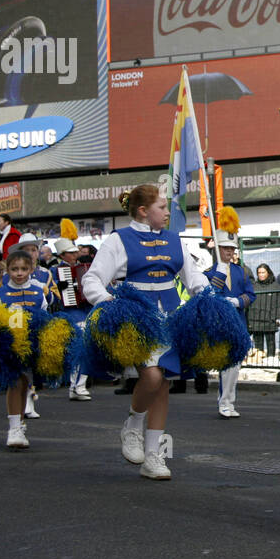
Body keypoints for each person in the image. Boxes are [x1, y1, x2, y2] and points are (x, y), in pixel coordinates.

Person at [82, 183, 210, 479]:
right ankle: (132, 424)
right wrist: (110, 303)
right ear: (143, 211)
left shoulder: (175, 240)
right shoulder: (118, 240)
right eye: (162, 208)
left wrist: (209, 297)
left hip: (171, 320)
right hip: (138, 323)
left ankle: (154, 456)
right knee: (152, 376)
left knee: (163, 382)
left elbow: (193, 277)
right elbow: (92, 281)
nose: (167, 213)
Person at [0, 250, 47, 449]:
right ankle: (14, 428)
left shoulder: (40, 294)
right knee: (15, 382)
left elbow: (45, 319)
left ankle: (20, 423)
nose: (19, 273)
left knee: (26, 384)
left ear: (31, 269)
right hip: (10, 348)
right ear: (7, 270)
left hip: (33, 347)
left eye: (24, 269)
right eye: (14, 269)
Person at [205, 207, 254, 418]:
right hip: (220, 324)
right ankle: (224, 402)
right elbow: (206, 296)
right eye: (225, 249)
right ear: (218, 249)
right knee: (227, 366)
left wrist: (238, 301)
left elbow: (251, 294)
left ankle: (229, 402)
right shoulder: (208, 273)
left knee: (235, 367)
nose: (229, 252)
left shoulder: (241, 271)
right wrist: (219, 301)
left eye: (231, 249)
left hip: (239, 323)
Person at [51, 220, 92, 401]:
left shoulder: (83, 269)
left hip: (84, 309)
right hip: (70, 311)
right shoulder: (55, 271)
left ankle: (77, 386)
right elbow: (54, 296)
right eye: (71, 252)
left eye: (76, 252)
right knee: (80, 344)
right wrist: (61, 288)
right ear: (62, 255)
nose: (75, 254)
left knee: (85, 345)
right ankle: (77, 386)